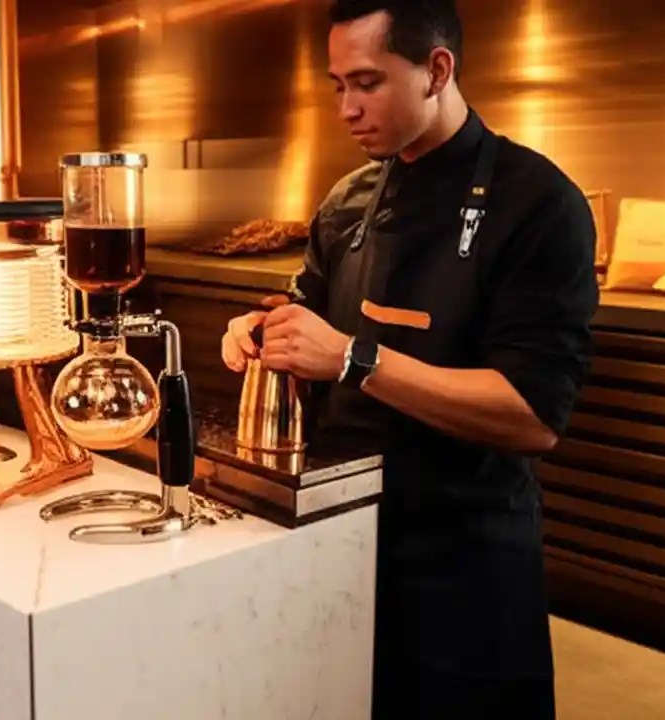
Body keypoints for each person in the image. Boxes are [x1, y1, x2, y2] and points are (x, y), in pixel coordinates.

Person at [219, 1, 597, 717]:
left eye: (367, 83)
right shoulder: (345, 200)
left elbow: (533, 415)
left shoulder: (540, 203)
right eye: (336, 86)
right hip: (340, 543)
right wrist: (256, 329)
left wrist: (356, 359)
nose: (346, 109)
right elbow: (304, 307)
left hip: (467, 563)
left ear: (437, 70)